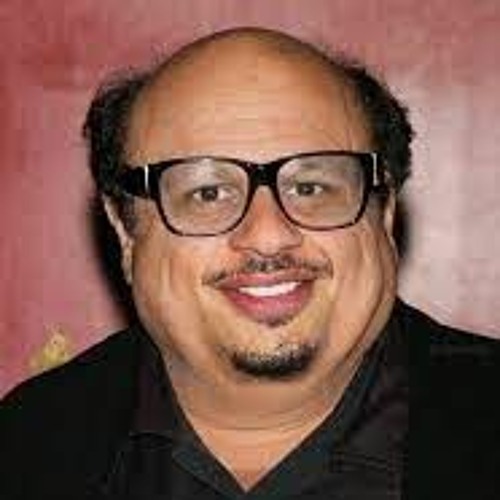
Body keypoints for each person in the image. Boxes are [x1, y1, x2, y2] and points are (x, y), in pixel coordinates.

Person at [1, 27, 499, 500]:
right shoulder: (25, 449)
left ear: (384, 212)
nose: (268, 235)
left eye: (310, 188)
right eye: (208, 193)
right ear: (125, 232)